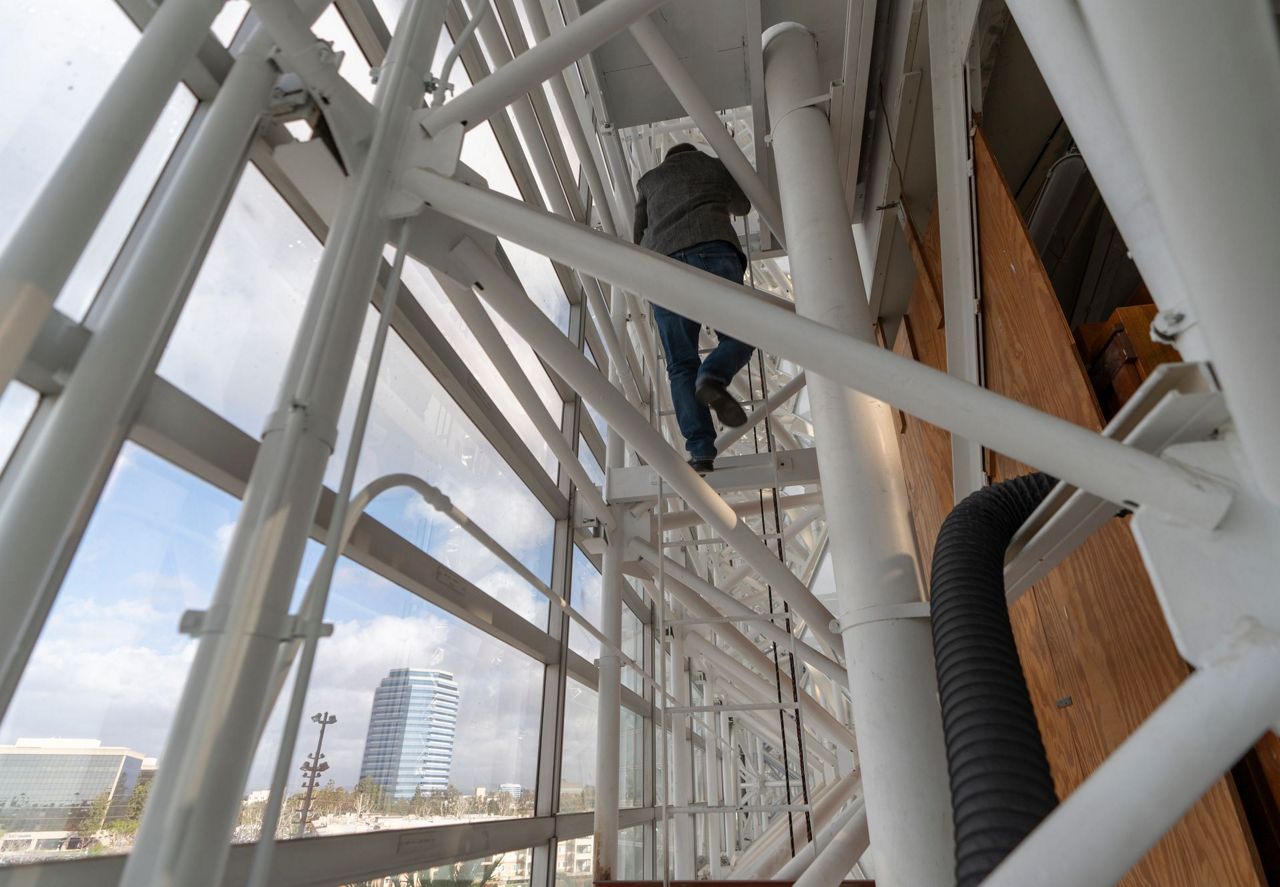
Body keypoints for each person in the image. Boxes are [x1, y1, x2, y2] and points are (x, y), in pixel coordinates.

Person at [633, 143, 755, 473]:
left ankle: (701, 451)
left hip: (664, 269)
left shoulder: (648, 181)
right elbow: (743, 206)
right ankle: (713, 375)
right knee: (742, 333)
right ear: (694, 152)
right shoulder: (716, 165)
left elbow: (637, 235)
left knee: (680, 364)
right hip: (713, 250)